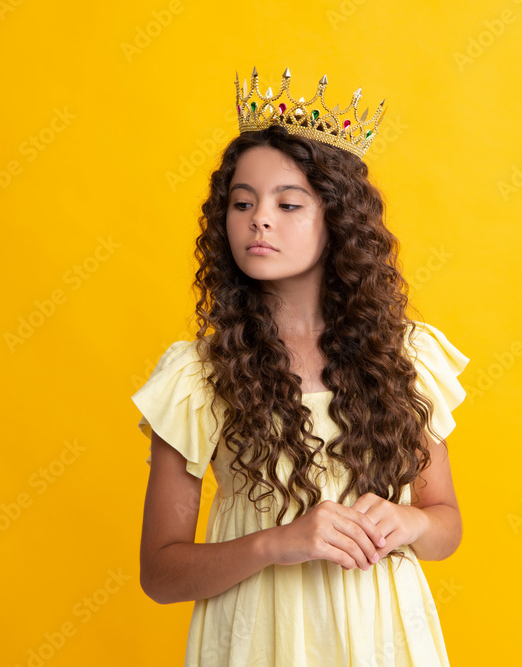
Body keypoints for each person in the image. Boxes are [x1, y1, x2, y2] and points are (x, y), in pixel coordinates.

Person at [131, 66, 469, 666]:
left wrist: (407, 523)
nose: (259, 218)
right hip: (257, 639)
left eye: (289, 204)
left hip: (382, 641)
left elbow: (445, 522)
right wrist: (276, 543)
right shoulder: (197, 377)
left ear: (337, 224)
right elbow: (160, 572)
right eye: (242, 202)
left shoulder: (402, 359)